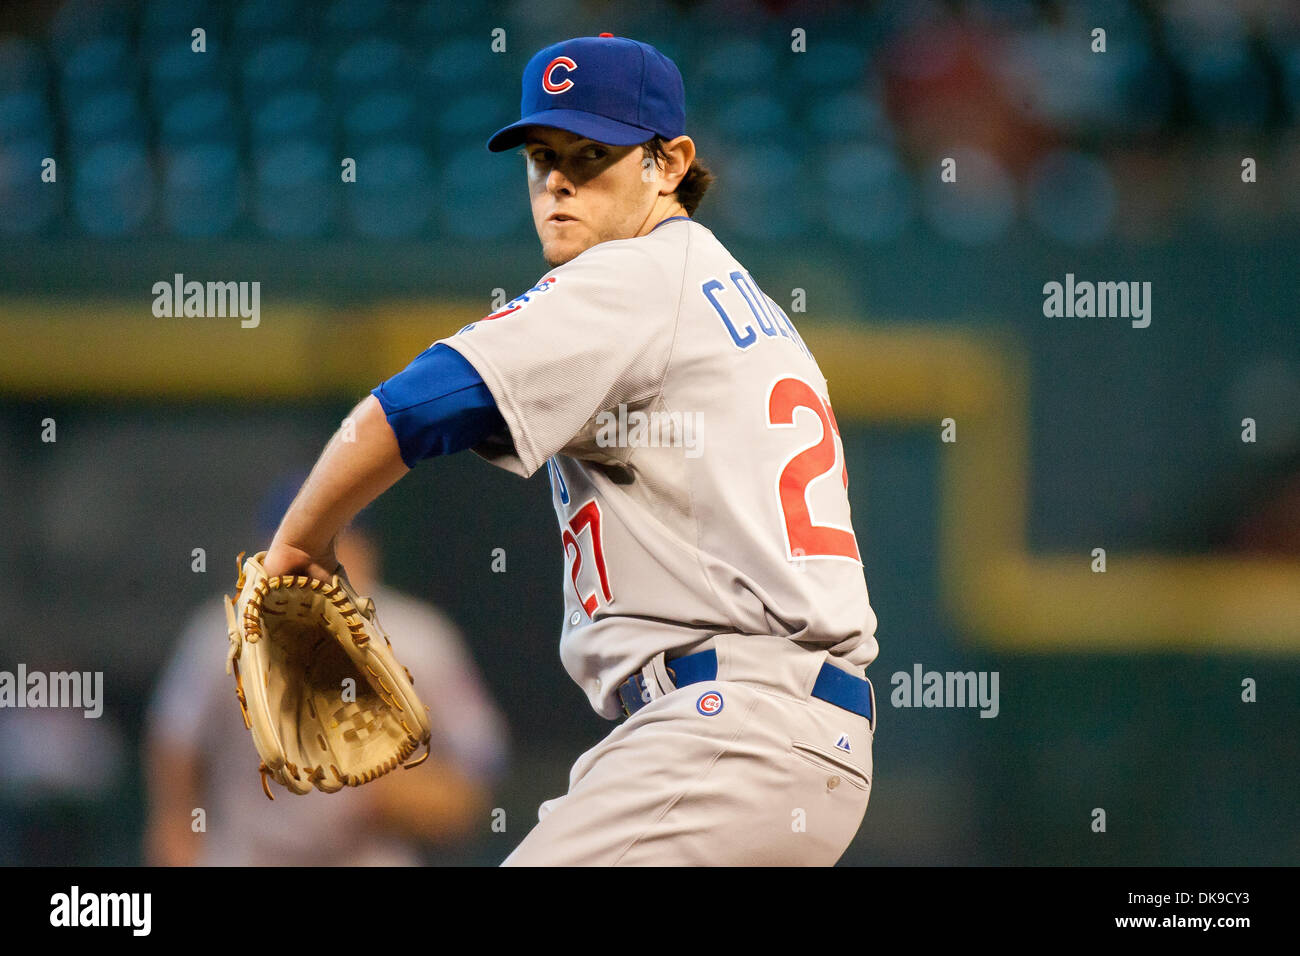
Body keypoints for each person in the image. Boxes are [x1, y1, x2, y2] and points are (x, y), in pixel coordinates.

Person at [262, 33, 880, 866]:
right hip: (793, 745)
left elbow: (409, 409)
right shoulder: (732, 296)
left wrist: (299, 545)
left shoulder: (636, 277)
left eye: (591, 154)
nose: (557, 179)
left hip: (727, 730)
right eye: (541, 155)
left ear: (669, 164)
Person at [145, 516, 508, 866]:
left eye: (330, 542)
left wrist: (413, 793)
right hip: (248, 854)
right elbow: (175, 744)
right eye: (293, 546)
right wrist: (176, 830)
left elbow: (477, 767)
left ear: (365, 551)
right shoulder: (219, 636)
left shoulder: (416, 640)